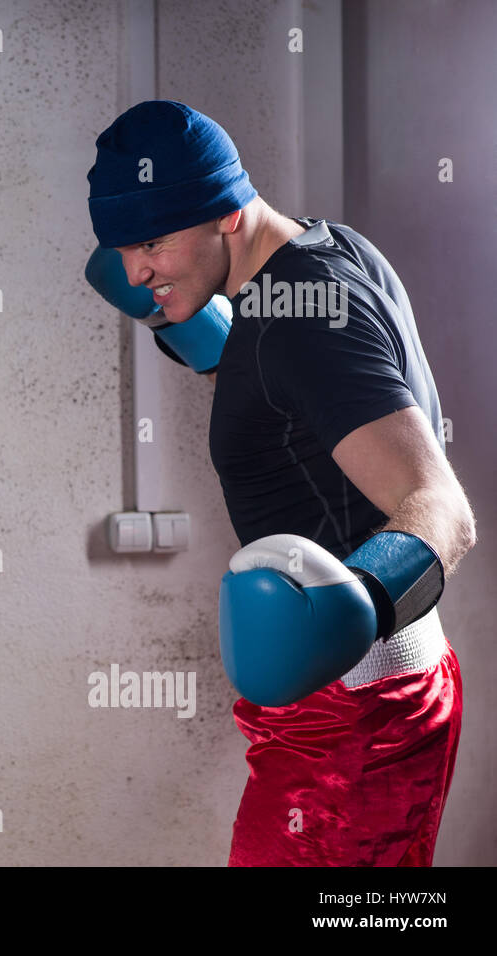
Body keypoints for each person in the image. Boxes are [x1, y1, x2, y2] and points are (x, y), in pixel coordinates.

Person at [84, 100, 475, 866]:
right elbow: (289, 390)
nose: (135, 272)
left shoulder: (306, 325)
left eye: (154, 242)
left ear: (228, 213)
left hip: (357, 715)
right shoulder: (318, 261)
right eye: (125, 248)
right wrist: (195, 331)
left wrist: (351, 607)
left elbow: (442, 509)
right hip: (358, 708)